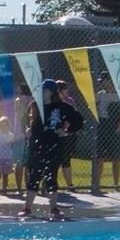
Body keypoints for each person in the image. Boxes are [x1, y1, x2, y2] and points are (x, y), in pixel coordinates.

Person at [19, 78, 83, 220]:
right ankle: (27, 208)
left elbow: (79, 121)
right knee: (34, 176)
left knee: (51, 176)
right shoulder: (35, 105)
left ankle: (54, 208)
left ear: (51, 92)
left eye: (44, 91)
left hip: (54, 146)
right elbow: (24, 119)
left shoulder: (63, 107)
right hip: (36, 146)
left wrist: (66, 131)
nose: (42, 93)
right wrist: (26, 130)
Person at [91, 77, 120, 193]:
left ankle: (116, 185)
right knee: (99, 158)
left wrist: (118, 129)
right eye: (101, 81)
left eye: (104, 80)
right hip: (102, 125)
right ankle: (97, 185)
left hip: (113, 126)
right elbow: (94, 109)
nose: (102, 83)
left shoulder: (118, 95)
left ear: (110, 81)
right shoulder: (100, 94)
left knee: (115, 159)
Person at [55, 80, 79, 190]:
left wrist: (65, 130)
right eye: (64, 88)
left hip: (68, 134)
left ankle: (70, 185)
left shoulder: (70, 101)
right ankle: (51, 184)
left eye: (66, 88)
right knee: (53, 159)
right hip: (55, 134)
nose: (67, 90)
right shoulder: (53, 101)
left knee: (65, 159)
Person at [0, 115, 16, 192]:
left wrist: (11, 154)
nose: (4, 126)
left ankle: (5, 188)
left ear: (8, 126)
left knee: (5, 175)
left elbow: (13, 145)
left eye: (5, 124)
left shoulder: (11, 135)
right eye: (2, 124)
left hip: (8, 157)